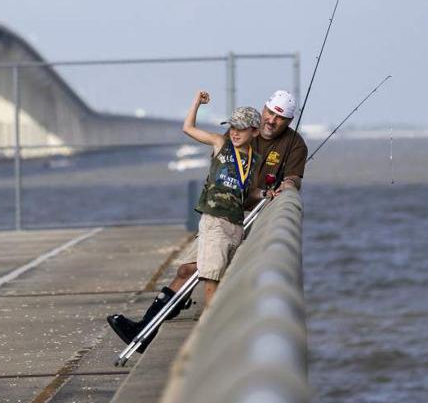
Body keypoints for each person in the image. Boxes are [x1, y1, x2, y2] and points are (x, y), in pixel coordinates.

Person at [107, 89, 308, 351]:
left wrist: (287, 185)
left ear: (289, 121)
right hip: (226, 214)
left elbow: (294, 178)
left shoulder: (295, 145)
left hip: (251, 219)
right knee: (187, 270)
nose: (272, 120)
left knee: (202, 274)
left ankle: (163, 332)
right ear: (264, 109)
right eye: (270, 112)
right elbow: (221, 163)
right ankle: (146, 329)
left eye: (280, 117)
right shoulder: (243, 130)